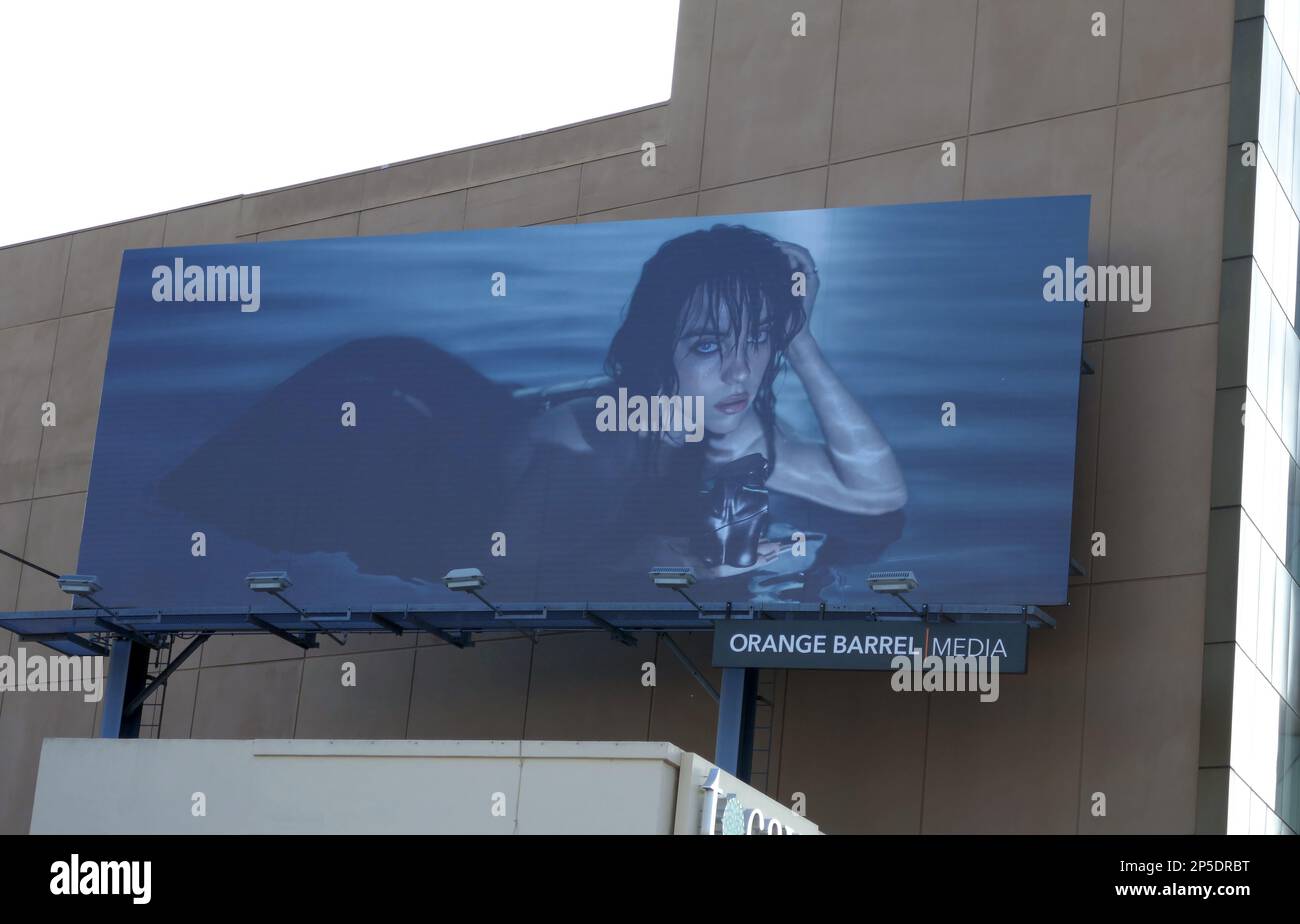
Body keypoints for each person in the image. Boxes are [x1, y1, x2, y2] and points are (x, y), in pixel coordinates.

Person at [503, 223, 907, 597]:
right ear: (657, 346)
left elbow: (877, 497)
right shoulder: (586, 445)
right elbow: (521, 576)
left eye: (759, 337)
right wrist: (684, 564)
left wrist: (799, 340)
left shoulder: (733, 430)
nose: (741, 372)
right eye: (708, 346)